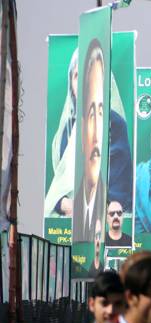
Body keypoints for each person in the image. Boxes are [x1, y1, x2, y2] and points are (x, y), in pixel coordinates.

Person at [73, 39, 106, 242]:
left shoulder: (109, 208)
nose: (95, 136)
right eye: (91, 114)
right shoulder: (73, 213)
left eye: (101, 112)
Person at [44, 48, 78, 218]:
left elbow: (121, 192)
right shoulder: (65, 131)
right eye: (77, 76)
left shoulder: (115, 126)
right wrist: (63, 203)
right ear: (71, 85)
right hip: (64, 225)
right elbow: (58, 184)